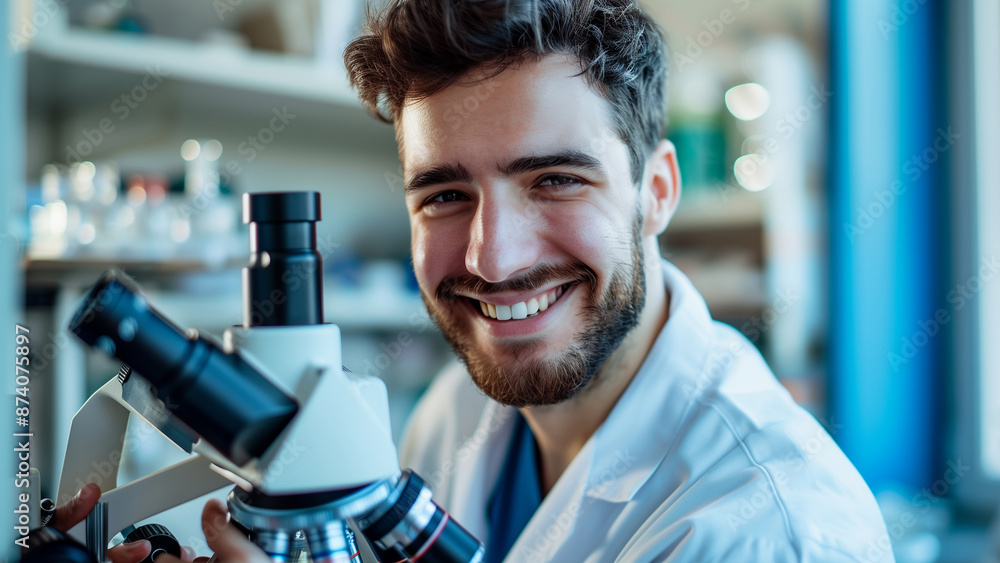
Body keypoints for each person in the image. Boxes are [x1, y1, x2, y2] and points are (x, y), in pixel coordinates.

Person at [53, 0, 893, 561]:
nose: (493, 260)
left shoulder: (768, 524)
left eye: (555, 179)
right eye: (446, 194)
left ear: (656, 193)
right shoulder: (463, 414)